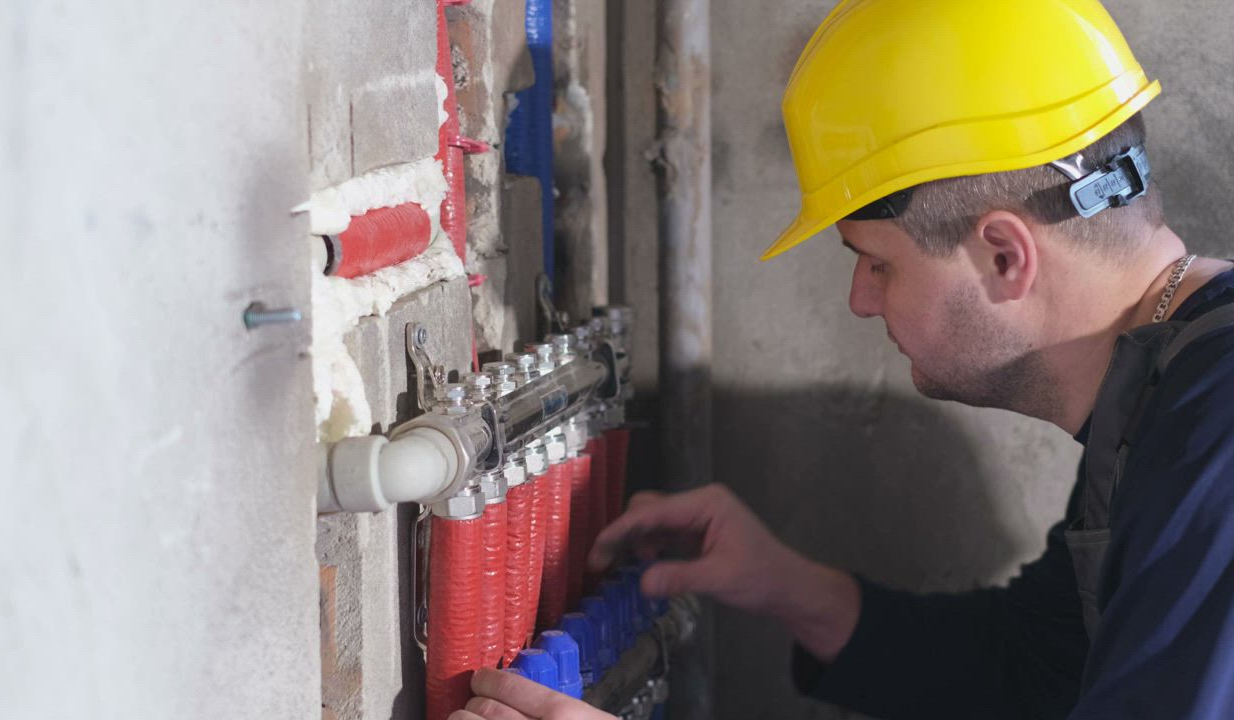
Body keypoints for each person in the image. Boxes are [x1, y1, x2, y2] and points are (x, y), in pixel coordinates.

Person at [454, 0, 1234, 717]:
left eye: (878, 262)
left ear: (1004, 256)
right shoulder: (1163, 403)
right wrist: (788, 587)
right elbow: (1035, 670)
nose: (861, 299)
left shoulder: (1217, 437)